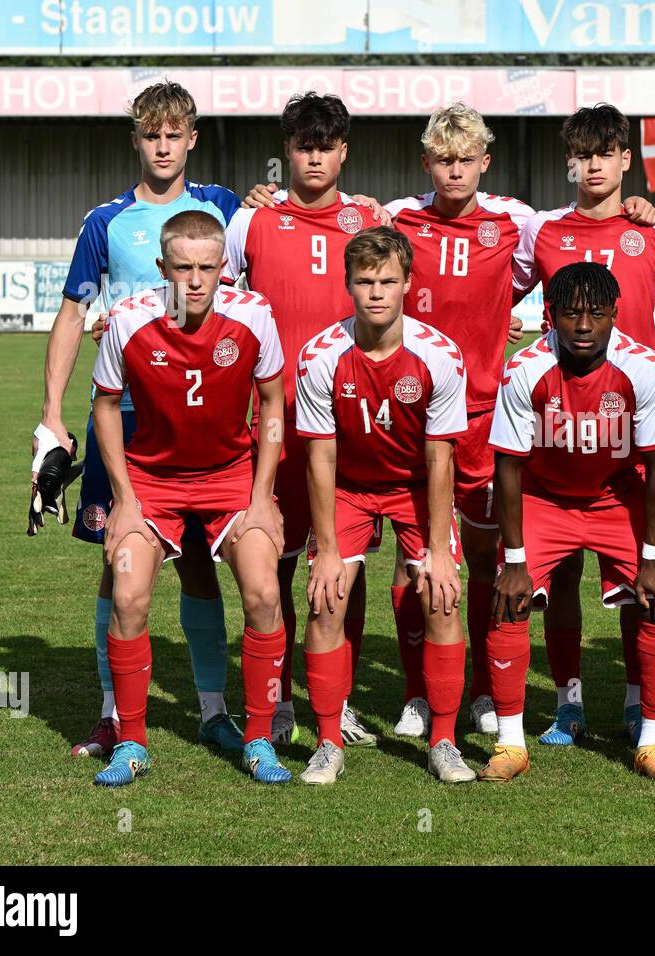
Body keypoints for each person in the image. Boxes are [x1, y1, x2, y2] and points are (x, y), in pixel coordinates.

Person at [33, 81, 245, 759]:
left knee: (201, 565)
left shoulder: (224, 208)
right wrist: (49, 417)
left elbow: (269, 276)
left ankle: (212, 711)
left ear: (191, 138)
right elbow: (73, 313)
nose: (162, 144)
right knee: (119, 562)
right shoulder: (106, 221)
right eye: (150, 134)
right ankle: (111, 715)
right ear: (136, 141)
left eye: (174, 133)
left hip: (206, 419)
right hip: (121, 418)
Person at [89, 210, 291, 786]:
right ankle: (131, 741)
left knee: (263, 592)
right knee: (128, 597)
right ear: (161, 267)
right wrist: (125, 498)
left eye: (207, 267)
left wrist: (263, 495)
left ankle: (257, 739)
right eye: (182, 268)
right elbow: (106, 406)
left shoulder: (253, 315)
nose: (196, 280)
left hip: (230, 479)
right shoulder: (129, 321)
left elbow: (273, 403)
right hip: (153, 483)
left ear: (224, 266)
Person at [511, 103, 655, 746]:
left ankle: (641, 702)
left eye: (604, 154)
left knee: (642, 573)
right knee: (557, 578)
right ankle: (568, 701)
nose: (593, 166)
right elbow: (498, 288)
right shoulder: (544, 232)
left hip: (633, 427)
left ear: (624, 162)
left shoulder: (651, 232)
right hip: (561, 424)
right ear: (570, 163)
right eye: (582, 155)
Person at [221, 92, 383, 747]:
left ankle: (335, 699)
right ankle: (280, 698)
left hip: (351, 428)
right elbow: (202, 293)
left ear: (343, 150)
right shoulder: (249, 222)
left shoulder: (371, 221)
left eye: (326, 145)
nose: (314, 156)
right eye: (303, 144)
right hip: (273, 425)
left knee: (346, 565)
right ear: (287, 150)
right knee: (277, 564)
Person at [482, 262, 655, 783]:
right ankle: (509, 744)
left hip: (615, 495)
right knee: (508, 601)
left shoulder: (642, 367)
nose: (585, 325)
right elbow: (508, 463)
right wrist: (514, 560)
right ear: (551, 315)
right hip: (544, 497)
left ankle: (652, 741)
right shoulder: (525, 367)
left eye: (597, 313)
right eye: (572, 314)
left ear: (616, 313)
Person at [295, 226, 475, 783]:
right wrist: (327, 551)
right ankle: (328, 743)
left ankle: (443, 741)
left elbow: (441, 458)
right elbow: (320, 460)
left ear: (407, 285)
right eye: (365, 281)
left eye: (388, 281)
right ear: (348, 283)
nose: (376, 292)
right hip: (348, 485)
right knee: (326, 600)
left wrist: (441, 549)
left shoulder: (439, 355)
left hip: (417, 485)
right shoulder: (320, 356)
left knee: (442, 598)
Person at [382, 103, 535, 739]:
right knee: (413, 556)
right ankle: (418, 693)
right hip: (411, 415)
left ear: (484, 162)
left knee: (483, 555)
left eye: (466, 159)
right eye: (443, 159)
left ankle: (478, 689)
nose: (454, 170)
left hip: (483, 416)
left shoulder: (515, 222)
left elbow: (566, 261)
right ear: (427, 161)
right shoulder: (398, 218)